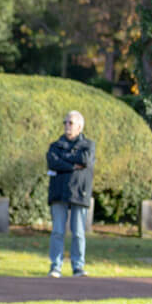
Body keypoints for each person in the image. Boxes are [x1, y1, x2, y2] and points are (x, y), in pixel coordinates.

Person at [46, 110, 95, 278]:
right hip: (59, 192)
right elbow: (52, 162)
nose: (67, 126)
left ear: (80, 127)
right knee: (58, 231)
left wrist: (64, 161)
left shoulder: (88, 145)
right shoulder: (55, 145)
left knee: (79, 232)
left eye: (71, 123)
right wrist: (72, 165)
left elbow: (85, 161)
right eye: (65, 122)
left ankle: (78, 267)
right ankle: (55, 266)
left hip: (79, 192)